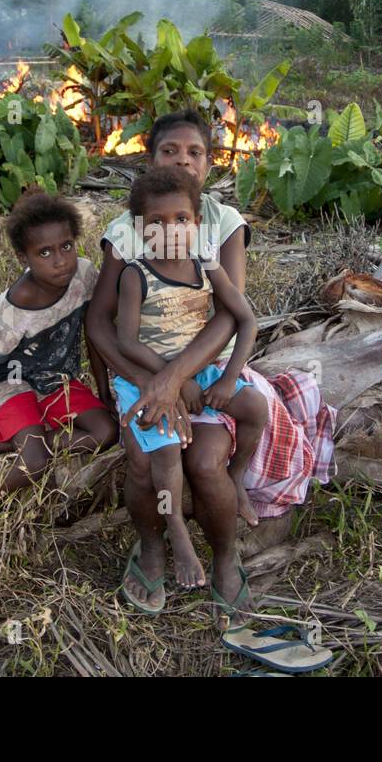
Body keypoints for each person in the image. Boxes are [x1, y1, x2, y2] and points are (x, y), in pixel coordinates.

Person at [86, 109, 336, 618]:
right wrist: (150, 383)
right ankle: (154, 547)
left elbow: (231, 313)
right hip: (145, 373)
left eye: (194, 152)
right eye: (168, 151)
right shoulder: (132, 228)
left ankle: (224, 555)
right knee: (142, 459)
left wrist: (179, 379)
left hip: (203, 370)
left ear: (211, 161)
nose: (182, 160)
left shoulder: (219, 223)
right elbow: (100, 324)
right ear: (149, 160)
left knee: (205, 460)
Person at [0, 189, 118, 549]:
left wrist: (104, 392)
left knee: (105, 431)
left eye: (66, 246)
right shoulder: (15, 304)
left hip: (57, 380)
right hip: (13, 384)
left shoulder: (84, 274)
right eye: (44, 253)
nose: (60, 260)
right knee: (33, 464)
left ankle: (3, 445)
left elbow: (93, 336)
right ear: (24, 257)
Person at [112, 166, 268, 589]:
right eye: (157, 222)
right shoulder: (134, 275)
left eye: (181, 219)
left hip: (204, 371)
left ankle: (237, 475)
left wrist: (227, 378)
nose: (171, 230)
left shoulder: (207, 266)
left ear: (197, 223)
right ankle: (176, 532)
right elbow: (125, 341)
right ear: (141, 230)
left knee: (256, 405)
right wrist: (174, 382)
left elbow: (245, 320)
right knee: (163, 450)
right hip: (145, 377)